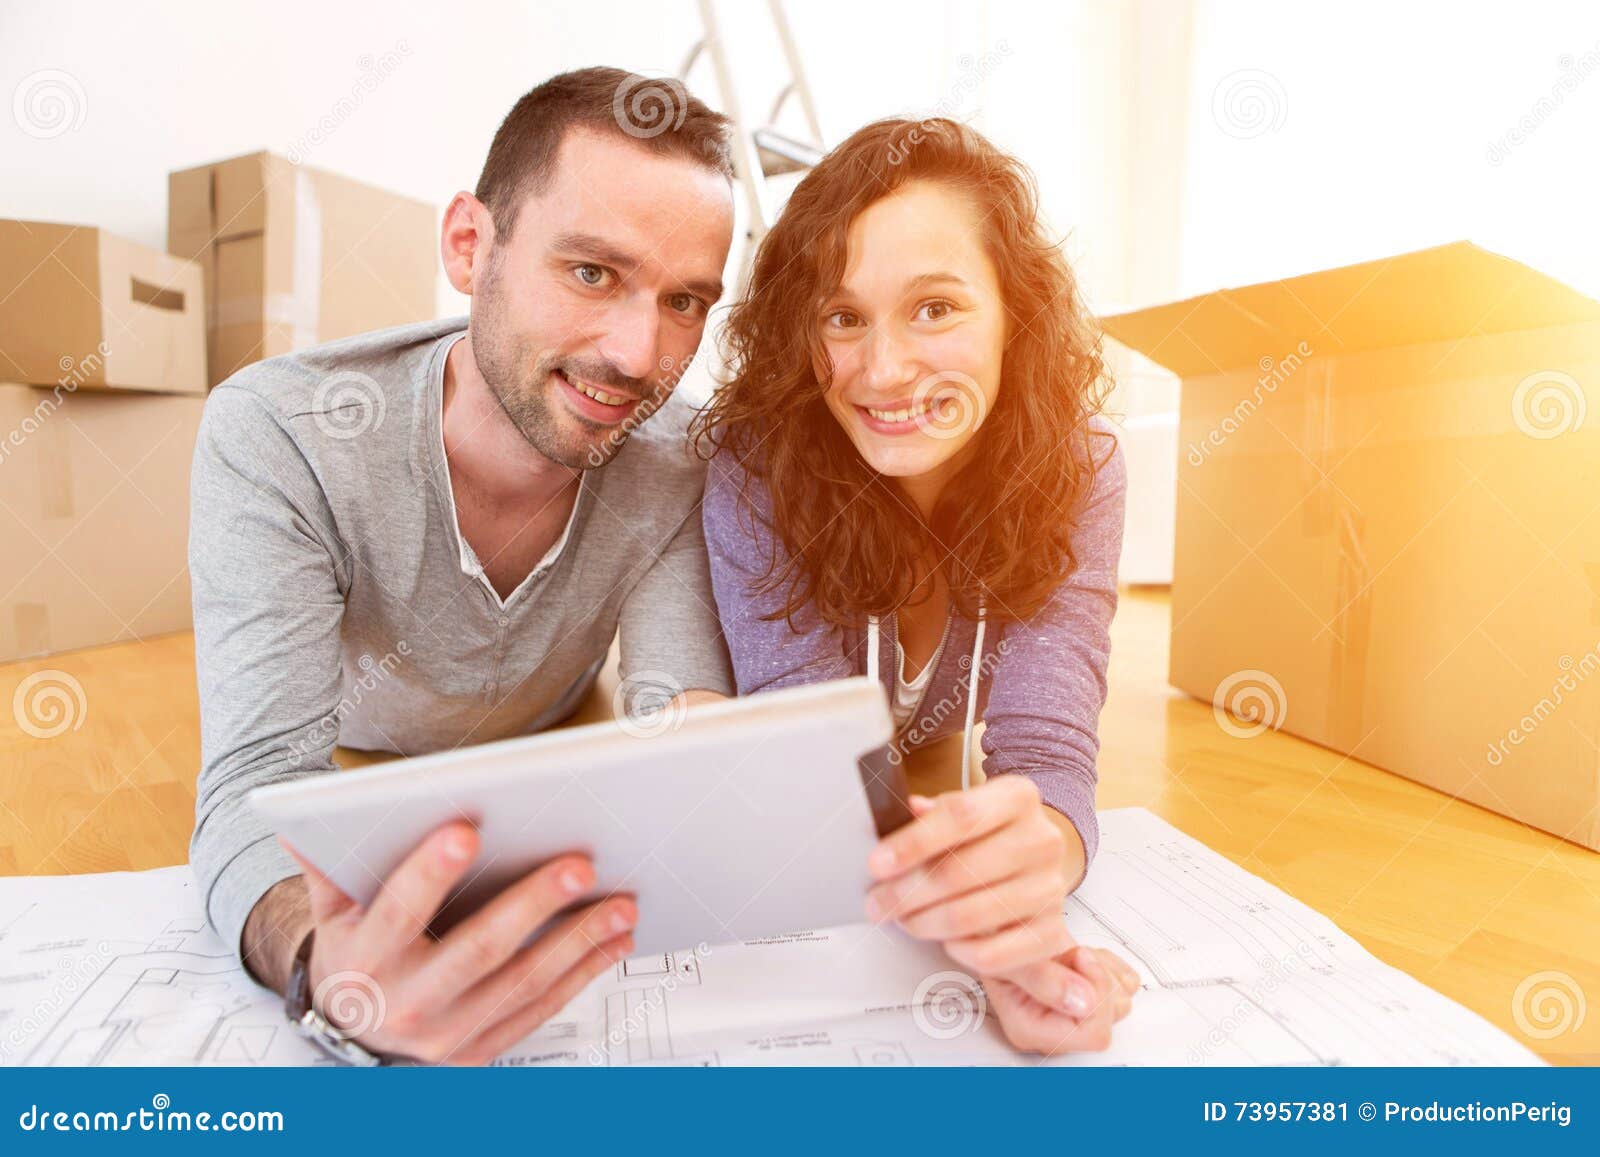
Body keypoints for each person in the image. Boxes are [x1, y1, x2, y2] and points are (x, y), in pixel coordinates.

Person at [188, 67, 737, 1065]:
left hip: (548, 722)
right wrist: (321, 964)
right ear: (468, 245)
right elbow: (254, 782)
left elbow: (678, 721)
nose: (638, 352)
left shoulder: (681, 457)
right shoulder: (278, 432)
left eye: (686, 299)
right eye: (591, 272)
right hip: (356, 746)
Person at [697, 117, 1138, 1054]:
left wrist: (1034, 875)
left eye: (934, 307)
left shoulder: (1084, 468)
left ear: (1017, 313)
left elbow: (1050, 749)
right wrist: (979, 936)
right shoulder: (754, 466)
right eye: (842, 316)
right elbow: (813, 754)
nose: (883, 370)